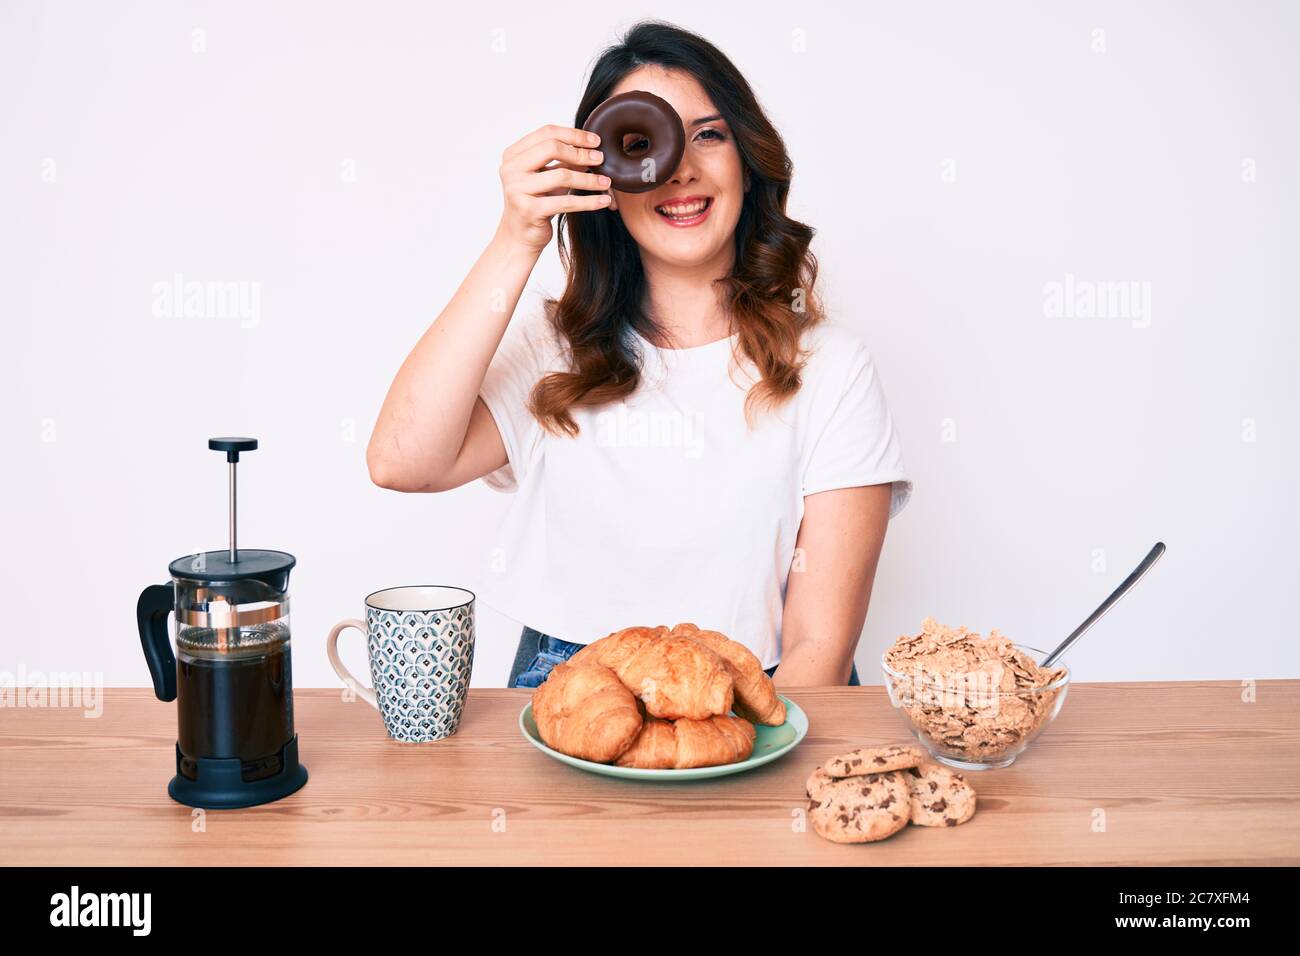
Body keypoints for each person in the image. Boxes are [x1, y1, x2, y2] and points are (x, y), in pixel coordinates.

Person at [367, 21, 911, 690]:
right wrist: (516, 237)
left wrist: (738, 763)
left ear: (748, 159)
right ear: (604, 178)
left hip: (764, 693)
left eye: (709, 134)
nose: (681, 168)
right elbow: (401, 461)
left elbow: (817, 647)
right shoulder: (553, 353)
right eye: (643, 142)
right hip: (566, 687)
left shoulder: (832, 368)